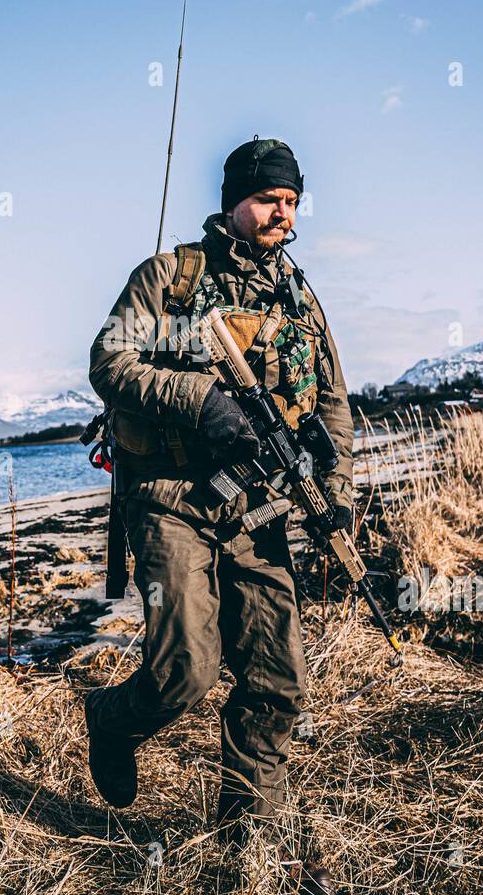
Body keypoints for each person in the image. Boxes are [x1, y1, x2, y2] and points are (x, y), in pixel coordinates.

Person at [85, 136, 354, 857]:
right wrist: (199, 399)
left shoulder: (299, 297)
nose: (283, 215)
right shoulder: (168, 279)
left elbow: (332, 404)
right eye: (270, 199)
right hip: (171, 500)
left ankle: (249, 848)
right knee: (185, 672)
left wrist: (337, 495)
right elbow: (109, 362)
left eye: (292, 201)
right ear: (234, 199)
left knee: (277, 680)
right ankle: (112, 721)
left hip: (258, 509)